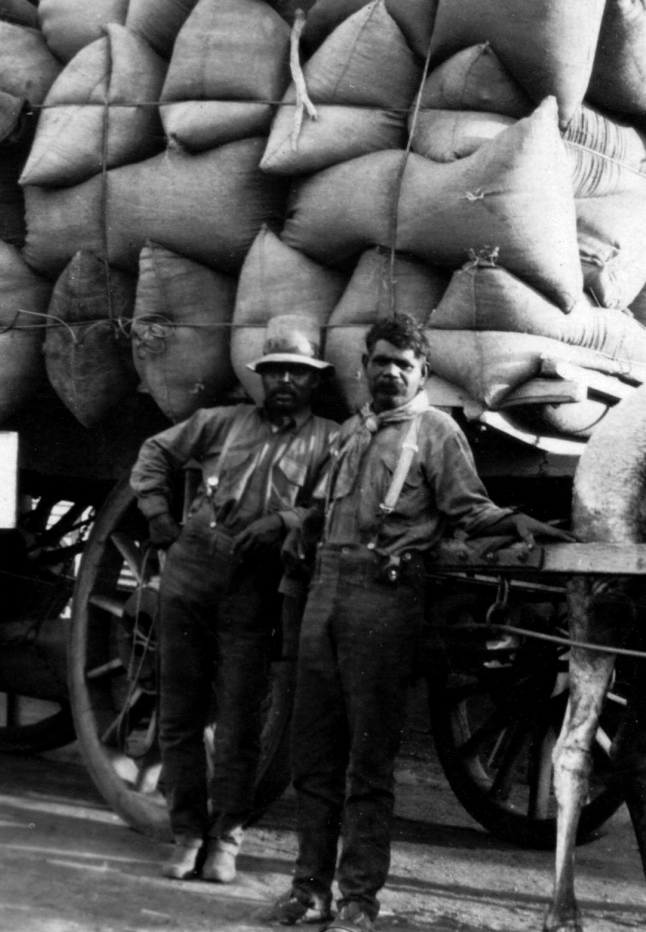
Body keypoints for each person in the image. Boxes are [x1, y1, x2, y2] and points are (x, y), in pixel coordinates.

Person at [269, 313, 569, 932]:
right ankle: (308, 889)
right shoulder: (351, 433)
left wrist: (514, 524)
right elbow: (319, 514)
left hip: (384, 599)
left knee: (367, 760)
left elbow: (469, 509)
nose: (390, 373)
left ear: (422, 372)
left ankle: (357, 899)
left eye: (403, 365)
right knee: (312, 752)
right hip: (325, 593)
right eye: (380, 361)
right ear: (364, 368)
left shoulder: (437, 434)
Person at [129, 315, 340, 884]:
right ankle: (187, 834)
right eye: (274, 372)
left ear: (314, 381)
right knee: (179, 714)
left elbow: (333, 506)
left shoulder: (330, 439)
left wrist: (285, 520)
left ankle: (226, 840)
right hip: (192, 575)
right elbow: (154, 453)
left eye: (296, 372)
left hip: (254, 588)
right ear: (261, 379)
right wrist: (157, 516)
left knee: (240, 723)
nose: (284, 382)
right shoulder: (220, 424)